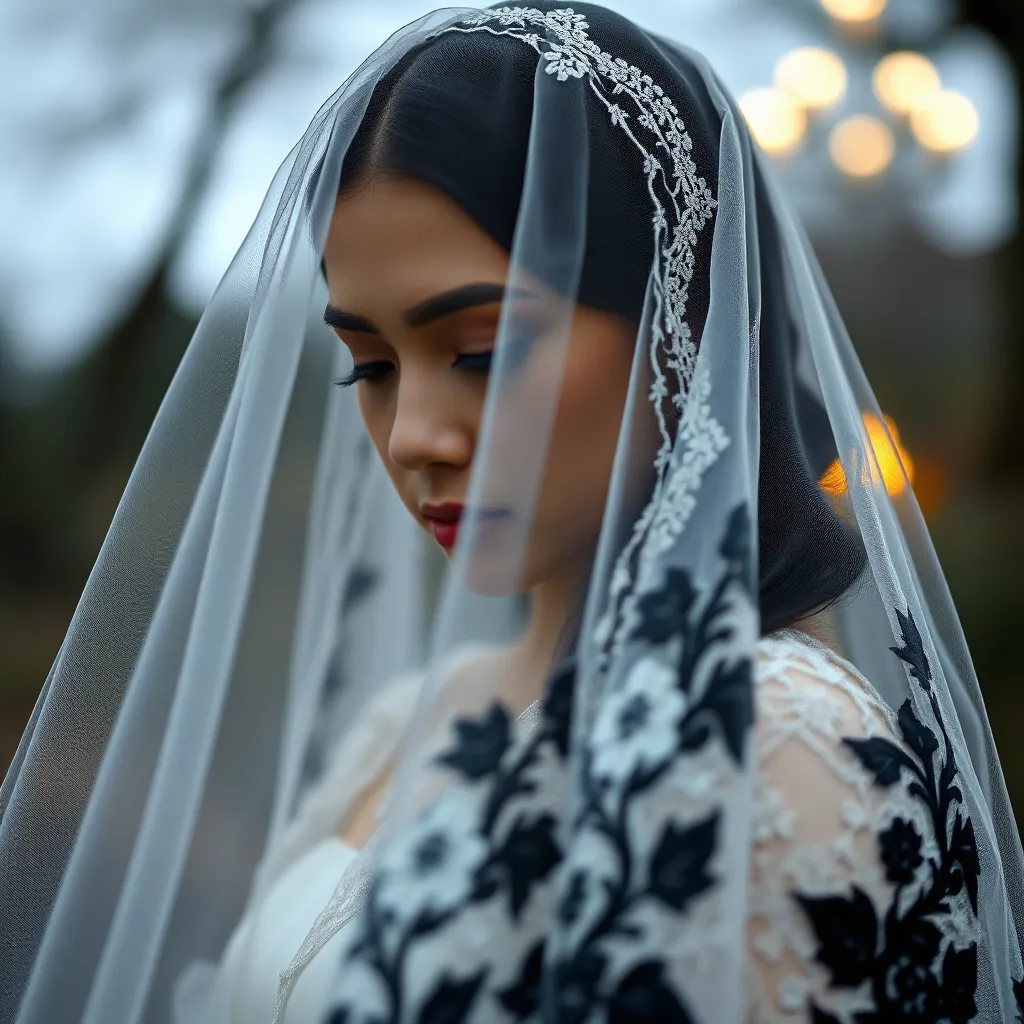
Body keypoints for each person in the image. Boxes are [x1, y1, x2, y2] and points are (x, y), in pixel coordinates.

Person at [1, 4, 1021, 1023]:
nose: (412, 436)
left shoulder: (765, 738)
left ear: (683, 329)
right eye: (369, 366)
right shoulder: (410, 716)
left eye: (482, 351)